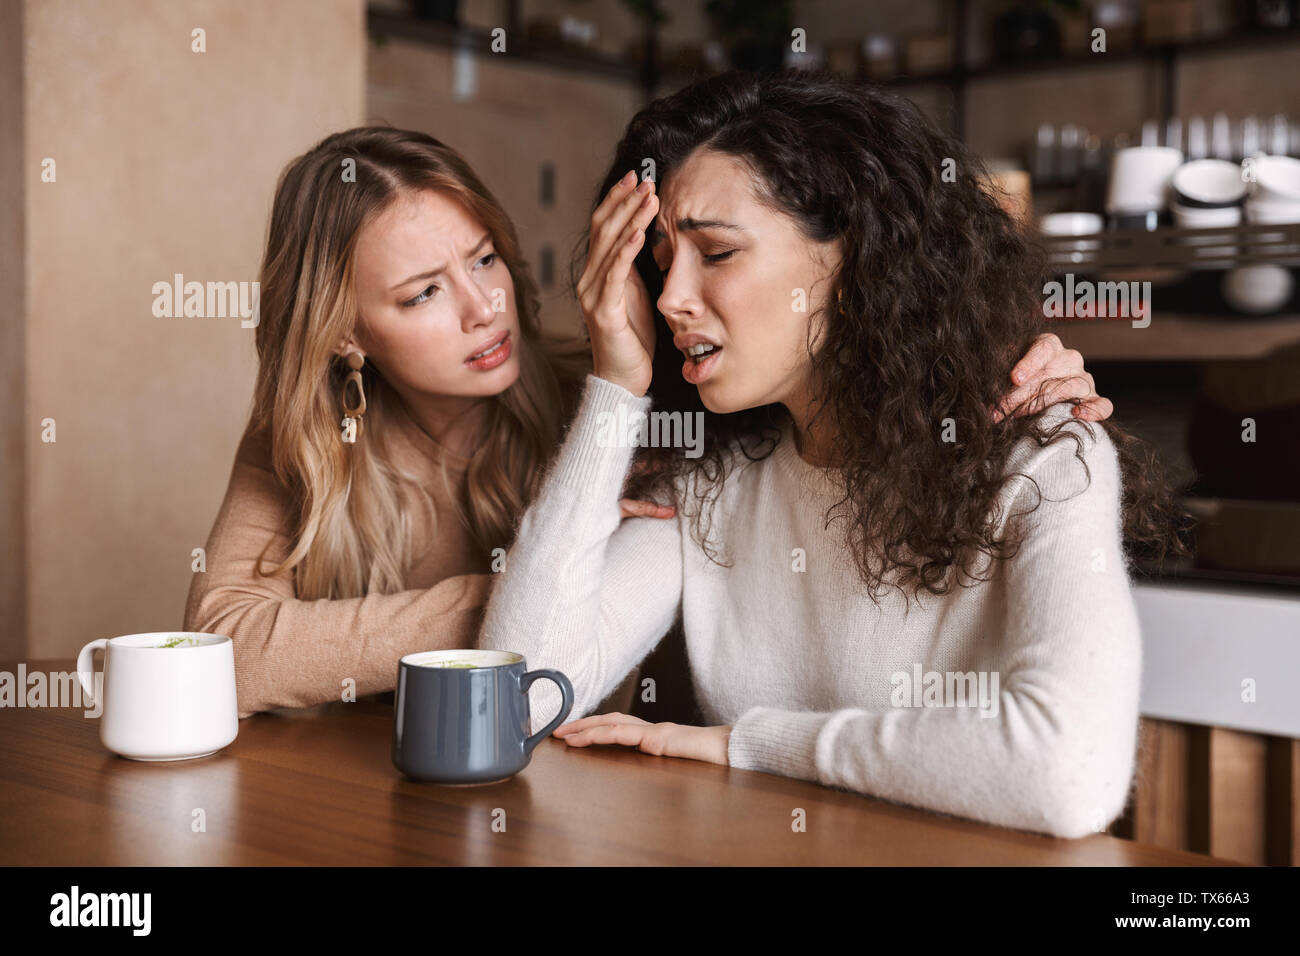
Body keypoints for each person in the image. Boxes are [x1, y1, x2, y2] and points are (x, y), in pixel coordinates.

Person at [184, 124, 1113, 720]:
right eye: (426, 292)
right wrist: (502, 600)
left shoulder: (610, 407)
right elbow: (224, 655)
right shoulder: (301, 441)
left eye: (486, 260)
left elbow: (828, 359)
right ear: (344, 333)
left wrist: (998, 357)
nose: (484, 309)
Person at [476, 70, 1188, 838]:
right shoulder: (712, 483)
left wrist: (750, 745)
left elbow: (1068, 773)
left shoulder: (1045, 457)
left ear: (852, 262)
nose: (671, 295)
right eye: (659, 260)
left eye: (715, 252)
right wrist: (617, 386)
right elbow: (513, 701)